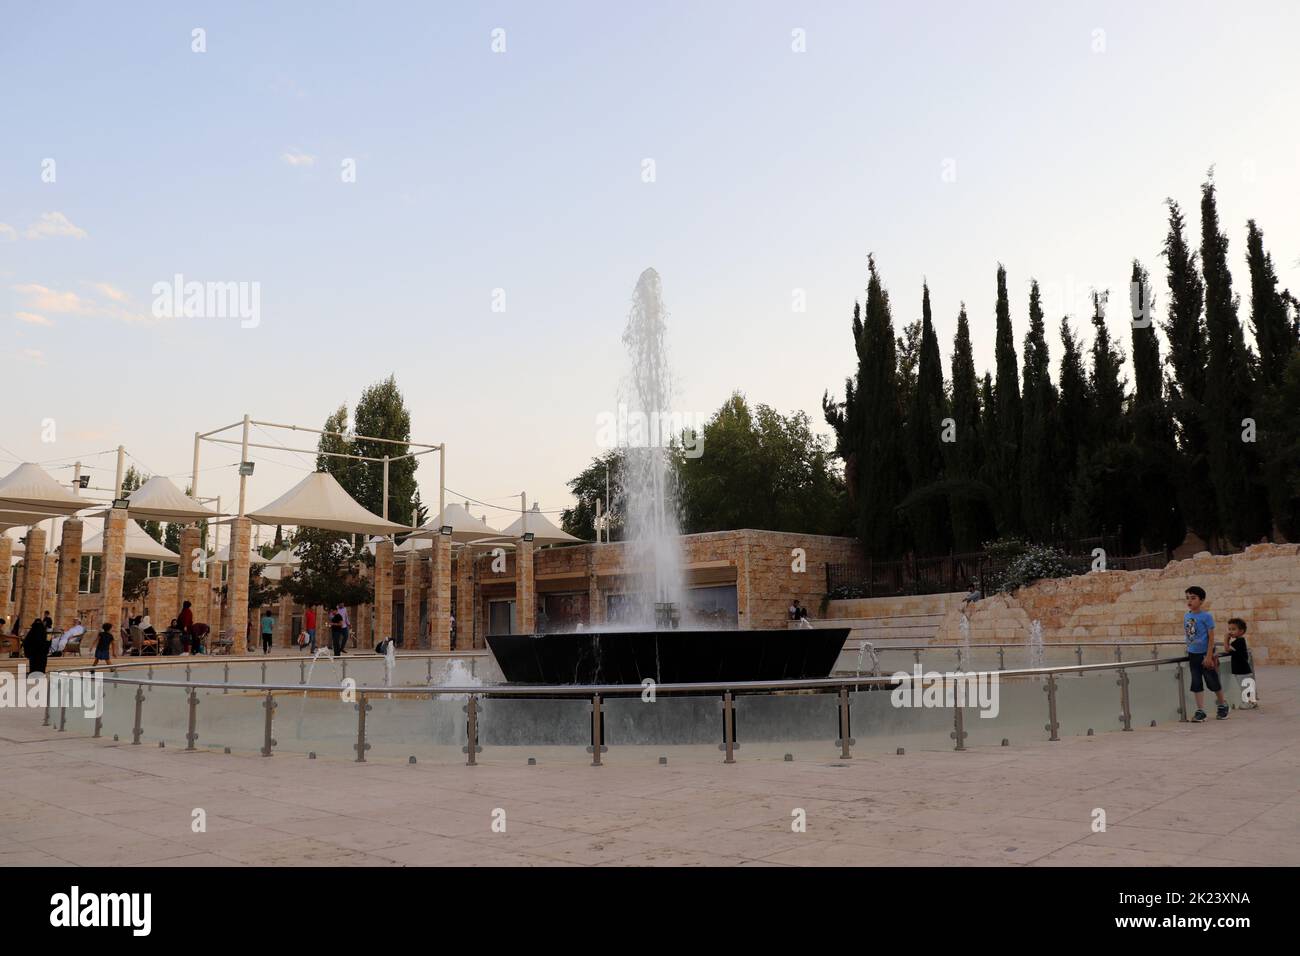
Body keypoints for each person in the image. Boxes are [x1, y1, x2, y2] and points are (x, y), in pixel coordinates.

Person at [1183, 586, 1228, 722]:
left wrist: (1209, 656)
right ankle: (1201, 710)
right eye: (1188, 598)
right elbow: (1189, 634)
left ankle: (1222, 704)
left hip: (1205, 654)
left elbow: (1211, 638)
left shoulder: (1206, 616)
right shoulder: (1187, 616)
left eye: (1193, 598)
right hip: (1193, 654)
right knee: (1196, 682)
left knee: (1212, 680)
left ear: (1201, 600)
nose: (1190, 601)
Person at [1224, 617, 1259, 709]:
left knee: (1244, 687)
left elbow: (1227, 649)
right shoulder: (1240, 641)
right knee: (1247, 686)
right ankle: (1252, 702)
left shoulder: (1238, 642)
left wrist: (1226, 639)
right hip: (1243, 668)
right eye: (1229, 629)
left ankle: (1247, 703)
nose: (1231, 631)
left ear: (1241, 631)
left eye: (1233, 629)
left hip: (1241, 670)